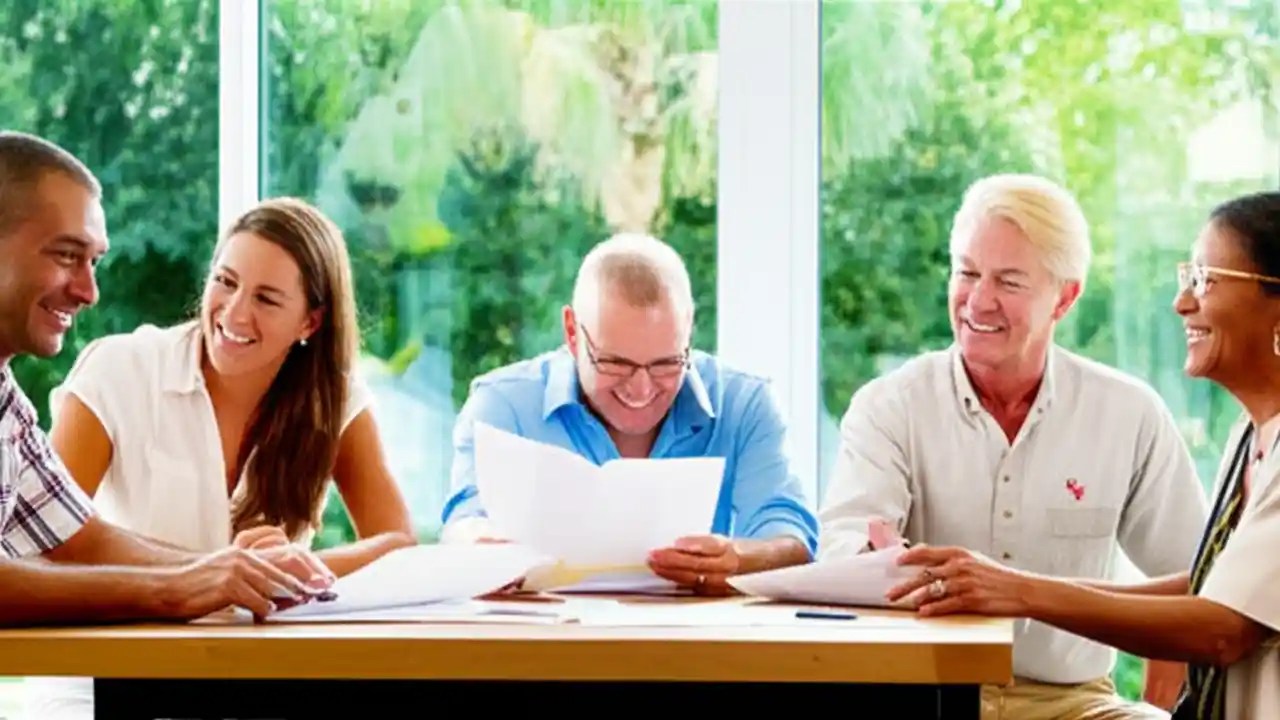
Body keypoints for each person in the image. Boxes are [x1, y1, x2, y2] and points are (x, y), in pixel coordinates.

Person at [818, 173, 1209, 719]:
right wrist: (876, 562)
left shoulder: (1128, 413)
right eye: (967, 273)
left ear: (1065, 297)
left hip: (1074, 704)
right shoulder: (889, 405)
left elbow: (1199, 580)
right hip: (920, 697)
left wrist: (1163, 692)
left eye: (1008, 281)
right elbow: (842, 550)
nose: (979, 300)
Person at [887, 190, 1280, 720]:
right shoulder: (1250, 436)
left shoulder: (1133, 411)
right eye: (1188, 277)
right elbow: (1209, 579)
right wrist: (1000, 589)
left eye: (1206, 281)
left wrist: (1020, 592)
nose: (1182, 302)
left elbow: (1221, 629)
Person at [24, 196, 418, 718]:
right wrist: (210, 575)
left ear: (311, 322)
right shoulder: (119, 371)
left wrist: (290, 573)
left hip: (256, 679)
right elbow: (48, 544)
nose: (234, 313)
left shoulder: (335, 400)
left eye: (267, 299)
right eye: (225, 282)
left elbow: (398, 544)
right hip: (109, 677)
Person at [0, 130, 331, 625]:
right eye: (67, 255)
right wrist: (175, 588)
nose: (90, 291)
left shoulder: (9, 407)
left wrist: (229, 570)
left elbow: (79, 539)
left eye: (94, 261)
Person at [440, 233, 818, 594]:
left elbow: (790, 535)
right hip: (544, 646)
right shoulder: (503, 404)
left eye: (667, 363)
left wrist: (738, 559)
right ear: (573, 333)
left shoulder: (744, 402)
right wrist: (477, 543)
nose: (641, 390)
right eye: (615, 363)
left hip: (696, 648)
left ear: (688, 331)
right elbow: (464, 520)